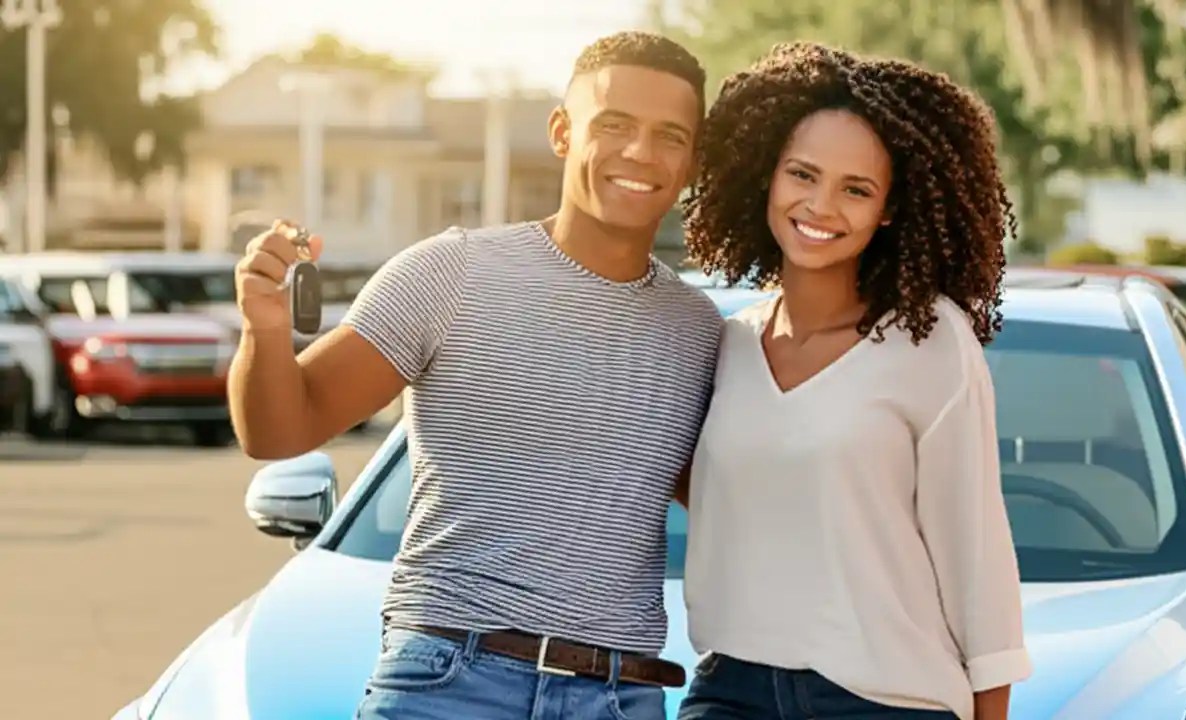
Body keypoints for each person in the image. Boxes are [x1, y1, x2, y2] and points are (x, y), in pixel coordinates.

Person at [228, 31, 723, 720]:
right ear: (561, 131)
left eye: (670, 135)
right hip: (449, 682)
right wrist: (265, 329)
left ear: (694, 158)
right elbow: (280, 431)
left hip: (622, 696)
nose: (641, 152)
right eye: (614, 125)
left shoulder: (700, 331)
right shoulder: (452, 273)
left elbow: (741, 504)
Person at [674, 43, 1032, 720]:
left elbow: (977, 557)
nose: (820, 205)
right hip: (732, 690)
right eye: (801, 174)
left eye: (856, 189)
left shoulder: (931, 343)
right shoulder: (730, 345)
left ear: (891, 208)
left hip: (886, 700)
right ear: (766, 177)